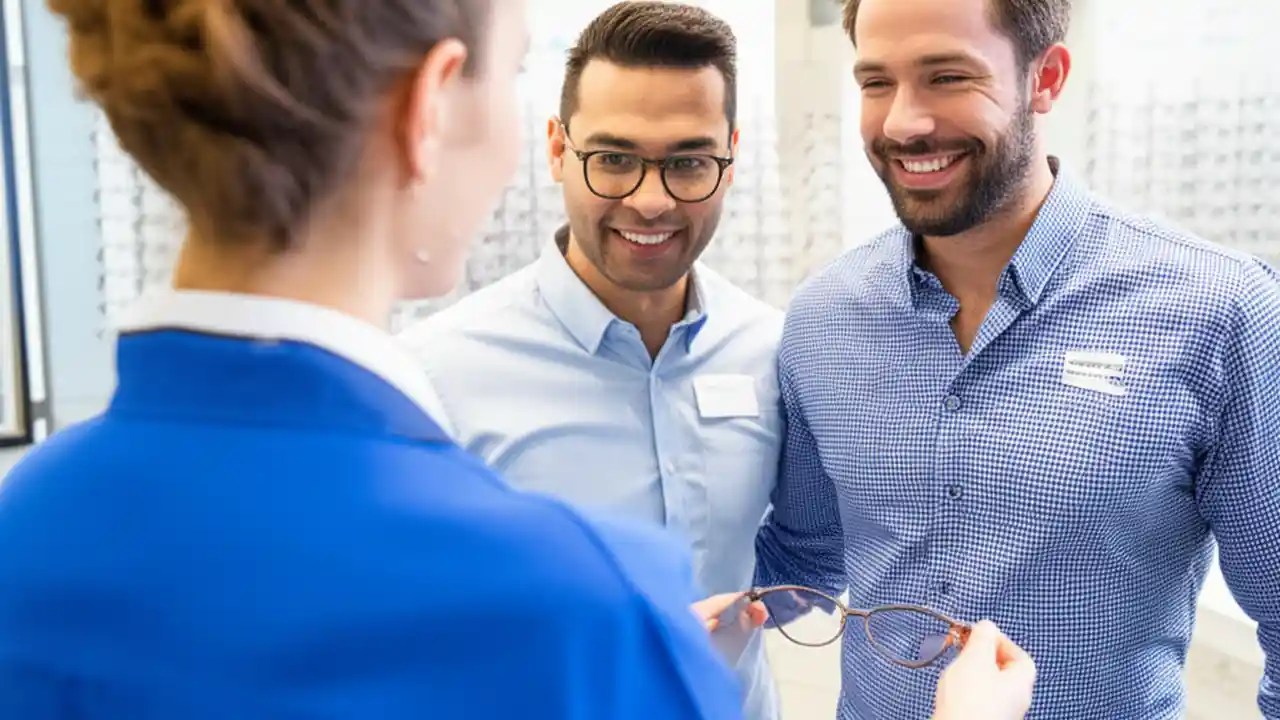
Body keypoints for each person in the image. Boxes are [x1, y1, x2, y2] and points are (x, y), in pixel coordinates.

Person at [0, 0, 1038, 717]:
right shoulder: (580, 603)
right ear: (432, 107)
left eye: (685, 162)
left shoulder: (25, 527)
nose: (644, 195)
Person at [755, 0, 1280, 717]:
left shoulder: (1220, 312)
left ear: (1047, 77)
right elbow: (804, 556)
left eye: (946, 76)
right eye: (876, 83)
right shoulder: (821, 320)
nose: (903, 122)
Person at [399, 4, 785, 717]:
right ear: (556, 148)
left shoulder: (773, 349)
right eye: (613, 159)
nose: (650, 200)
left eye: (688, 163)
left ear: (730, 157)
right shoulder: (434, 375)